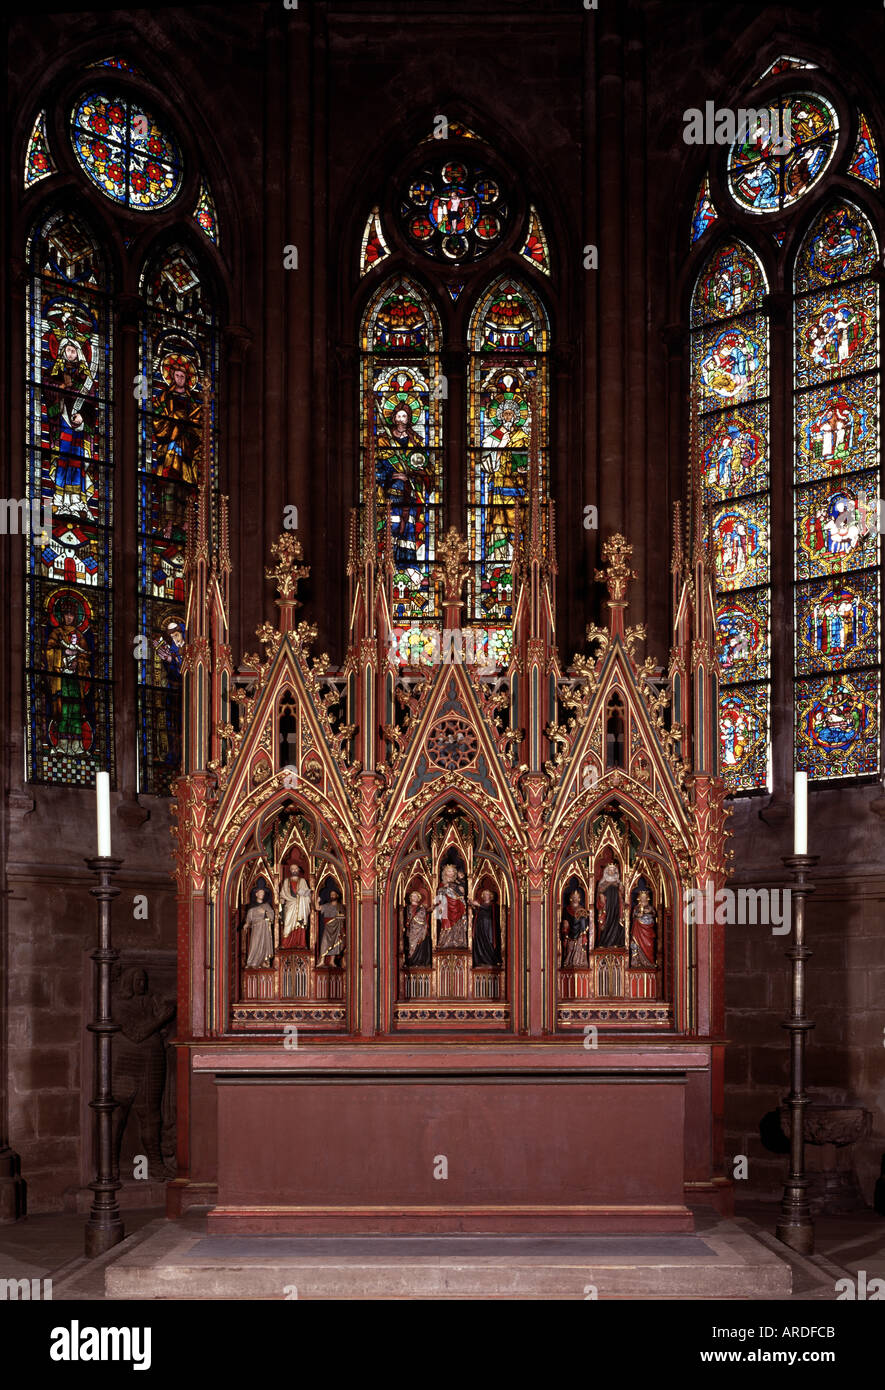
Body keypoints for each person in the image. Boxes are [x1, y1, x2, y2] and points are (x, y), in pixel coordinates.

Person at [434, 862, 468, 949]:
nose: (451, 873)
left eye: (452, 871)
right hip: (446, 907)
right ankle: (445, 942)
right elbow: (439, 895)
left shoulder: (458, 883)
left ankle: (458, 942)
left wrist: (458, 889)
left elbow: (462, 894)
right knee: (446, 924)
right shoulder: (442, 884)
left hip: (457, 906)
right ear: (445, 873)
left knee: (458, 925)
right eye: (449, 871)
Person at [243, 882, 275, 968]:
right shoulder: (252, 907)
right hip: (256, 929)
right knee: (255, 944)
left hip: (265, 929)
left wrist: (266, 913)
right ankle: (252, 962)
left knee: (264, 944)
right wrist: (246, 924)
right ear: (256, 894)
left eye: (263, 893)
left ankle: (264, 961)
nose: (262, 894)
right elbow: (249, 919)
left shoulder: (267, 906)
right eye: (260, 893)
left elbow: (272, 916)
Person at [280, 864, 312, 948]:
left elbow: (308, 895)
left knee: (300, 923)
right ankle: (285, 944)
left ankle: (301, 943)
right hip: (290, 904)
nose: (294, 870)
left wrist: (305, 896)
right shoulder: (286, 881)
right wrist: (282, 899)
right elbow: (282, 893)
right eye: (292, 869)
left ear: (298, 870)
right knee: (287, 923)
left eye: (296, 868)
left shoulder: (303, 881)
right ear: (290, 870)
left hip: (300, 905)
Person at [596, 861, 626, 948]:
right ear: (606, 871)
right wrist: (601, 896)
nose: (611, 872)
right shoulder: (602, 883)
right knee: (606, 922)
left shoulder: (618, 883)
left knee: (617, 922)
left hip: (617, 905)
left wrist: (621, 889)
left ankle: (616, 942)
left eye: (613, 870)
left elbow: (623, 894)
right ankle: (604, 942)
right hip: (607, 905)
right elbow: (599, 894)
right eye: (610, 870)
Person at [470, 888, 502, 967]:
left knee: (488, 943)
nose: (485, 896)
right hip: (480, 928)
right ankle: (480, 960)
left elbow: (489, 910)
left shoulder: (493, 905)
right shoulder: (481, 905)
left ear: (490, 896)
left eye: (487, 894)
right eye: (484, 894)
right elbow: (476, 914)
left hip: (488, 928)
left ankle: (490, 960)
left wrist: (479, 905)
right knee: (479, 943)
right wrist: (473, 907)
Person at [560, 889, 590, 968]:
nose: (575, 899)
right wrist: (565, 924)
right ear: (571, 898)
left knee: (579, 947)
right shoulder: (567, 909)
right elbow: (565, 920)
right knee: (569, 948)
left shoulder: (581, 909)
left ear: (579, 899)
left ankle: (579, 962)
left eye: (576, 897)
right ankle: (569, 962)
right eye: (574, 897)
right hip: (570, 932)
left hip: (579, 932)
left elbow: (585, 923)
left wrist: (583, 931)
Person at [317, 888, 346, 965]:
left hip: (336, 927)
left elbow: (343, 917)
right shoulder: (327, 906)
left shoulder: (340, 906)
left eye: (333, 894)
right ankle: (322, 961)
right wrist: (316, 901)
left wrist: (339, 919)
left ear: (337, 895)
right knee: (324, 943)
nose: (332, 896)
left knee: (335, 944)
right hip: (328, 927)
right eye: (331, 895)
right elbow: (318, 908)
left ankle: (332, 961)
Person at [630, 888, 657, 969]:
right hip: (638, 929)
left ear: (647, 898)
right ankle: (636, 962)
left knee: (649, 945)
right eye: (642, 897)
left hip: (648, 929)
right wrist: (639, 914)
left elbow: (654, 914)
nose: (643, 899)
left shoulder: (650, 907)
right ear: (639, 898)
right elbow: (634, 915)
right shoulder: (636, 908)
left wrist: (647, 912)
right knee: (635, 944)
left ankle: (649, 962)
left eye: (645, 897)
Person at [404, 890, 432, 967]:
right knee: (412, 945)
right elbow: (408, 918)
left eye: (416, 896)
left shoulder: (422, 908)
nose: (414, 898)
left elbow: (423, 916)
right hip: (413, 930)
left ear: (418, 898)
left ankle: (420, 962)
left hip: (421, 929)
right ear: (410, 898)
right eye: (413, 896)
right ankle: (412, 961)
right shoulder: (408, 907)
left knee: (421, 944)